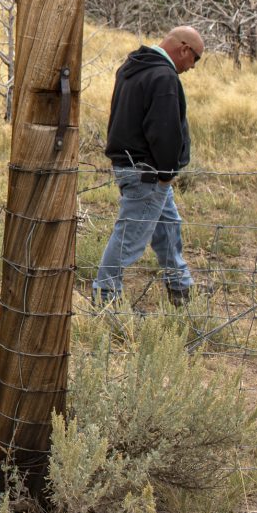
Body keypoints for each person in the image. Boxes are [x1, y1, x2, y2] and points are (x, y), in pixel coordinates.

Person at [92, 25, 205, 308]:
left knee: (168, 226)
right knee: (130, 237)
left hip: (134, 166)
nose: (192, 67)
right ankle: (105, 298)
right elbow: (164, 131)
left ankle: (180, 287)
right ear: (184, 49)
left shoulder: (133, 67)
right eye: (196, 59)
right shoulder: (163, 76)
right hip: (149, 173)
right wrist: (167, 174)